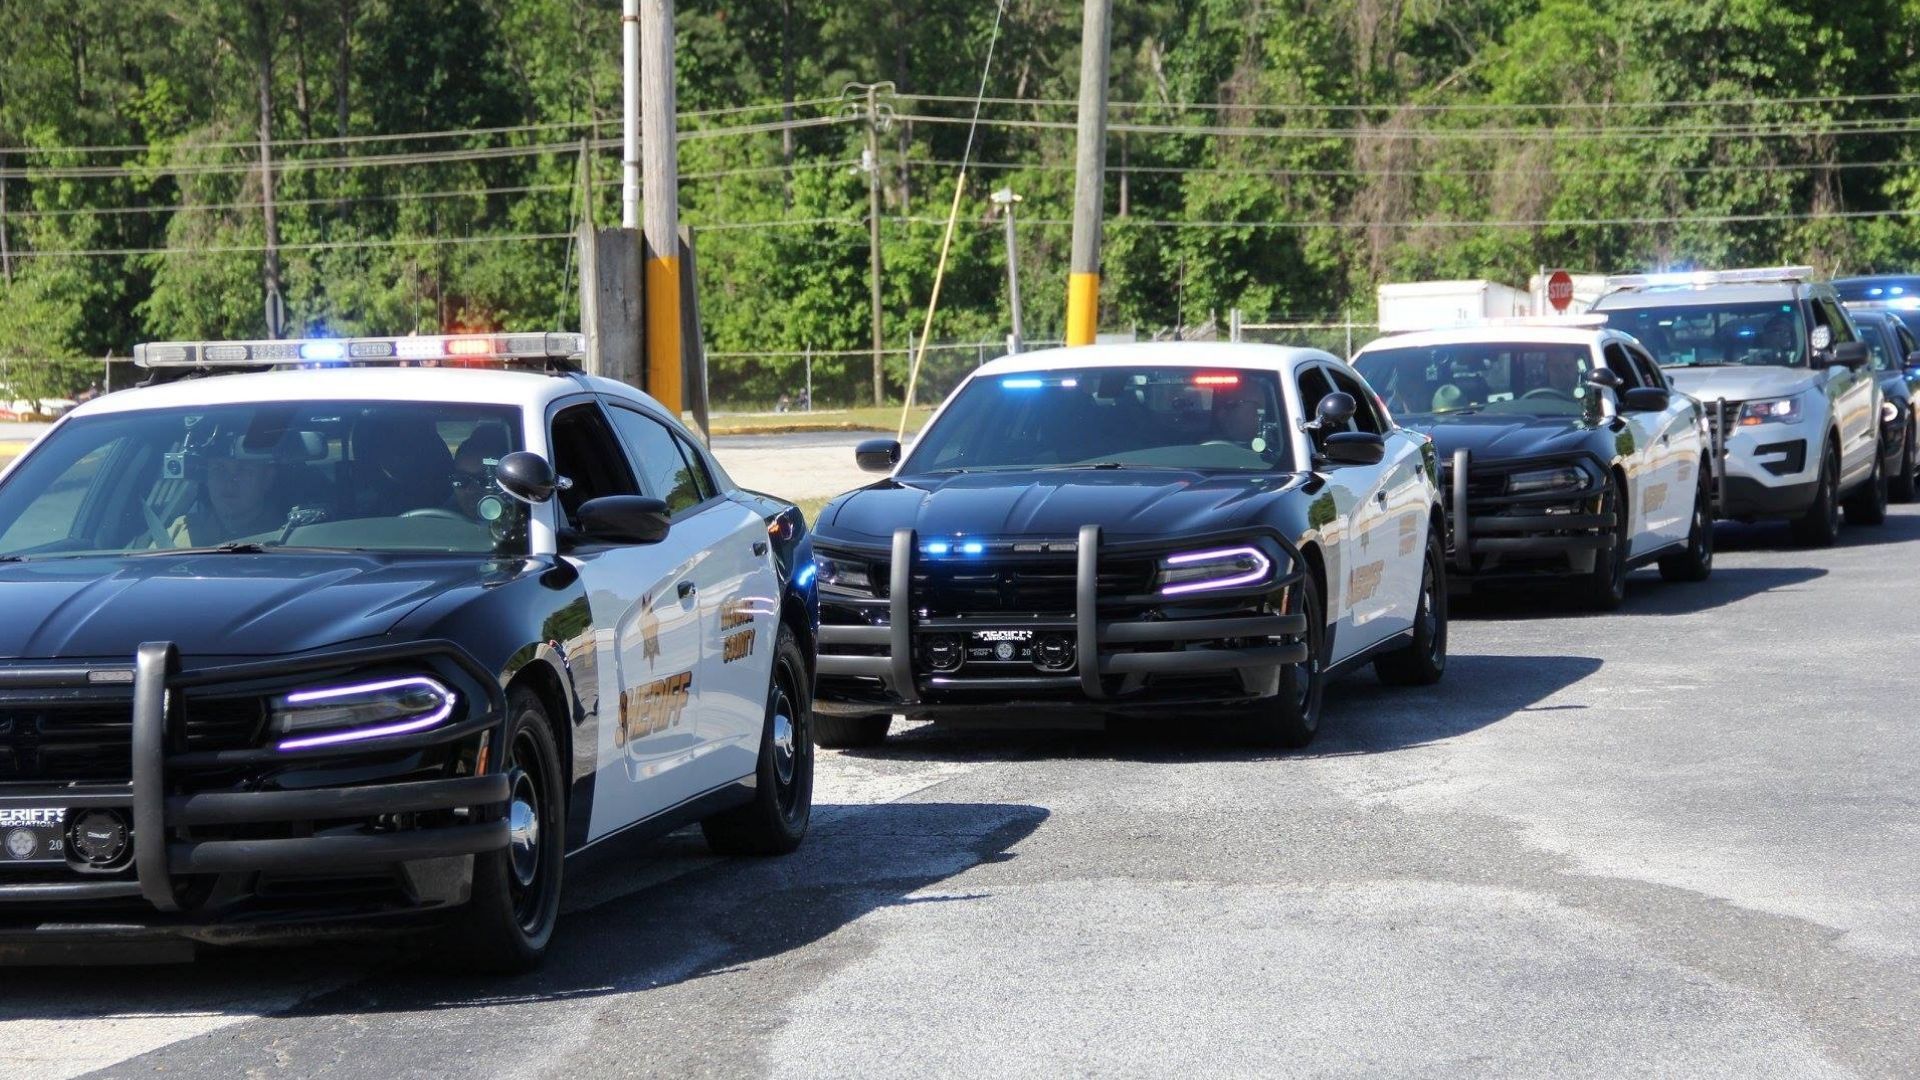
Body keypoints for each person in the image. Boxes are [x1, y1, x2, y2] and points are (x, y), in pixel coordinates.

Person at [168, 438, 285, 546]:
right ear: (207, 478)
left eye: (243, 470)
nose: (229, 483)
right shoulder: (179, 531)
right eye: (219, 469)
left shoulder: (288, 537)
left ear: (267, 478)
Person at [448, 426, 510, 520]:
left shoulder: (532, 523)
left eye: (484, 480)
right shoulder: (434, 524)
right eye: (461, 480)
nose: (471, 489)